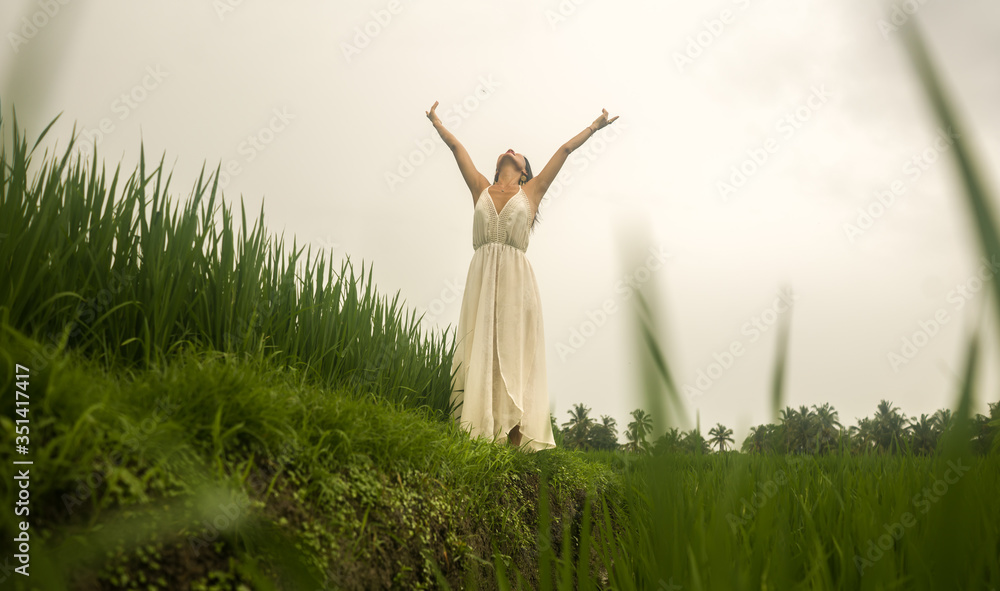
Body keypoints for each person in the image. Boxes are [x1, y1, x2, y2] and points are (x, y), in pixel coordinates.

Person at [426, 101, 618, 451]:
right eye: (507, 151)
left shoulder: (531, 192)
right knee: (481, 345)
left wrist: (595, 126)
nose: (511, 151)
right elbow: (457, 148)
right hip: (482, 278)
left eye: (519, 154)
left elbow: (564, 150)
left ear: (525, 171)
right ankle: (478, 429)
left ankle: (514, 440)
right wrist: (437, 122)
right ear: (499, 165)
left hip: (517, 283)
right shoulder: (480, 188)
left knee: (513, 355)